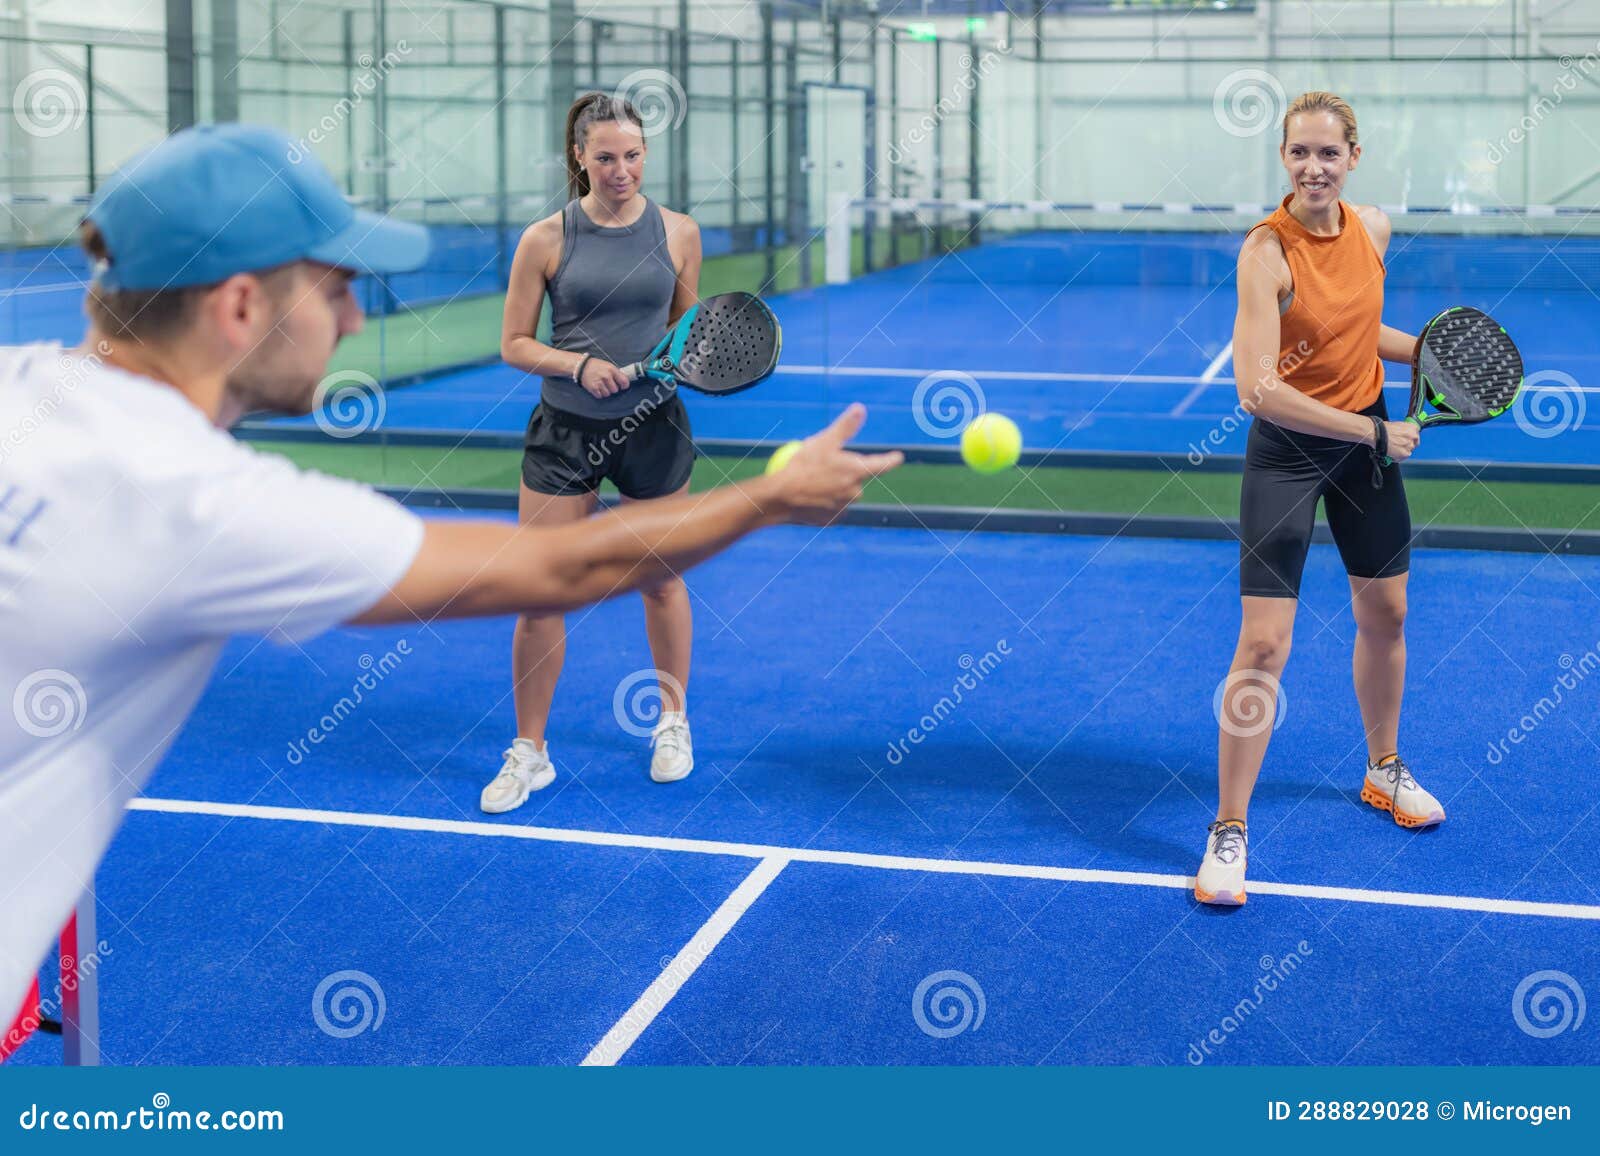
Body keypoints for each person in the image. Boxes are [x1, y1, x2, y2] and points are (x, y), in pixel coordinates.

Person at [0, 122, 899, 1058]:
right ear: (236, 307)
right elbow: (559, 566)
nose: (352, 320)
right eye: (338, 289)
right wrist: (770, 496)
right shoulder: (208, 508)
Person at [1195, 92, 1443, 907]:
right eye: (1299, 153)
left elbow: (1352, 328)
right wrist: (1370, 434)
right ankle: (1229, 829)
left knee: (1389, 615)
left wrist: (1431, 357)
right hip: (1292, 456)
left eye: (1328, 154)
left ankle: (1383, 768)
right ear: (1283, 159)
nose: (1313, 168)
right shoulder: (1266, 251)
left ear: (1353, 158)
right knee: (1263, 646)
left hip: (1363, 443)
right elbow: (1258, 389)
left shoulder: (1371, 230)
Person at [484, 93, 703, 814]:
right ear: (578, 156)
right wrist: (577, 366)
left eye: (633, 155)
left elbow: (685, 335)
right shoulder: (545, 239)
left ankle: (671, 722)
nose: (622, 170)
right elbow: (515, 342)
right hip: (565, 431)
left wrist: (662, 366)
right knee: (540, 588)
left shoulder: (679, 233)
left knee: (661, 580)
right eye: (605, 157)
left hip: (652, 429)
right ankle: (530, 751)